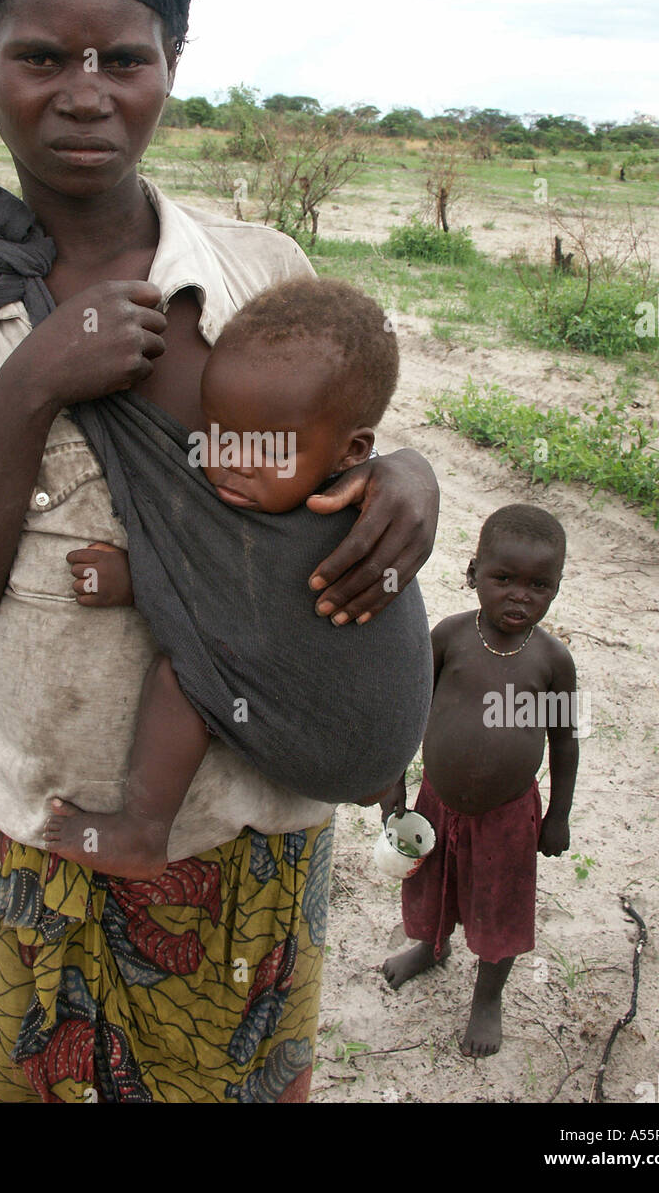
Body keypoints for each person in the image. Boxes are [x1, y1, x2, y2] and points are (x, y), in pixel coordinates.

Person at [0, 0, 440, 1104]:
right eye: (41, 58)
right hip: (42, 823)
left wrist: (409, 478)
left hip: (250, 828)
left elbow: (330, 462)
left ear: (169, 66)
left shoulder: (255, 269)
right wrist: (30, 387)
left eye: (124, 58)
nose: (85, 94)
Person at [43, 275, 428, 878]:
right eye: (218, 434)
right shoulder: (335, 483)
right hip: (378, 760)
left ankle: (142, 831)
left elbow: (235, 609)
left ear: (352, 452)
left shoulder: (350, 516)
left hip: (343, 749)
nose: (230, 465)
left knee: (182, 679)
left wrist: (136, 580)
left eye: (269, 451)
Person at [381, 504, 579, 1058]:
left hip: (510, 815)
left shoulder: (552, 662)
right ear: (473, 574)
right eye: (504, 579)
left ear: (557, 589)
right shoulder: (449, 638)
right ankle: (429, 947)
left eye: (540, 585)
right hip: (437, 804)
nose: (520, 596)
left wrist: (558, 815)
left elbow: (564, 742)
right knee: (430, 885)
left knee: (500, 905)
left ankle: (487, 997)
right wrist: (392, 781)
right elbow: (409, 707)